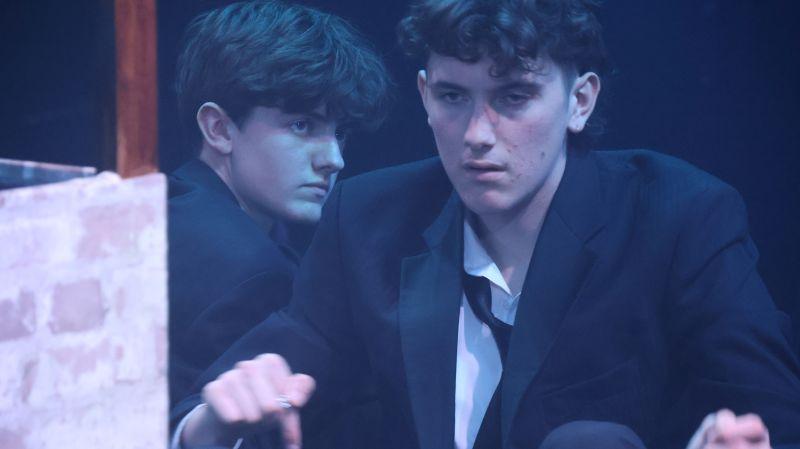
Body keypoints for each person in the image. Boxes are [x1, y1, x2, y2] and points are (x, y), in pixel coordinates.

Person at [172, 1, 800, 448]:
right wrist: (210, 425)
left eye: (513, 98)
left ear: (580, 101)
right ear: (423, 94)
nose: (476, 135)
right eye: (453, 97)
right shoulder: (368, 219)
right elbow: (227, 394)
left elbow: (772, 414)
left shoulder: (678, 214)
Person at [166, 0, 390, 411]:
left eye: (340, 133)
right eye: (302, 125)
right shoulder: (250, 270)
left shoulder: (168, 209)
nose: (334, 159)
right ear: (218, 128)